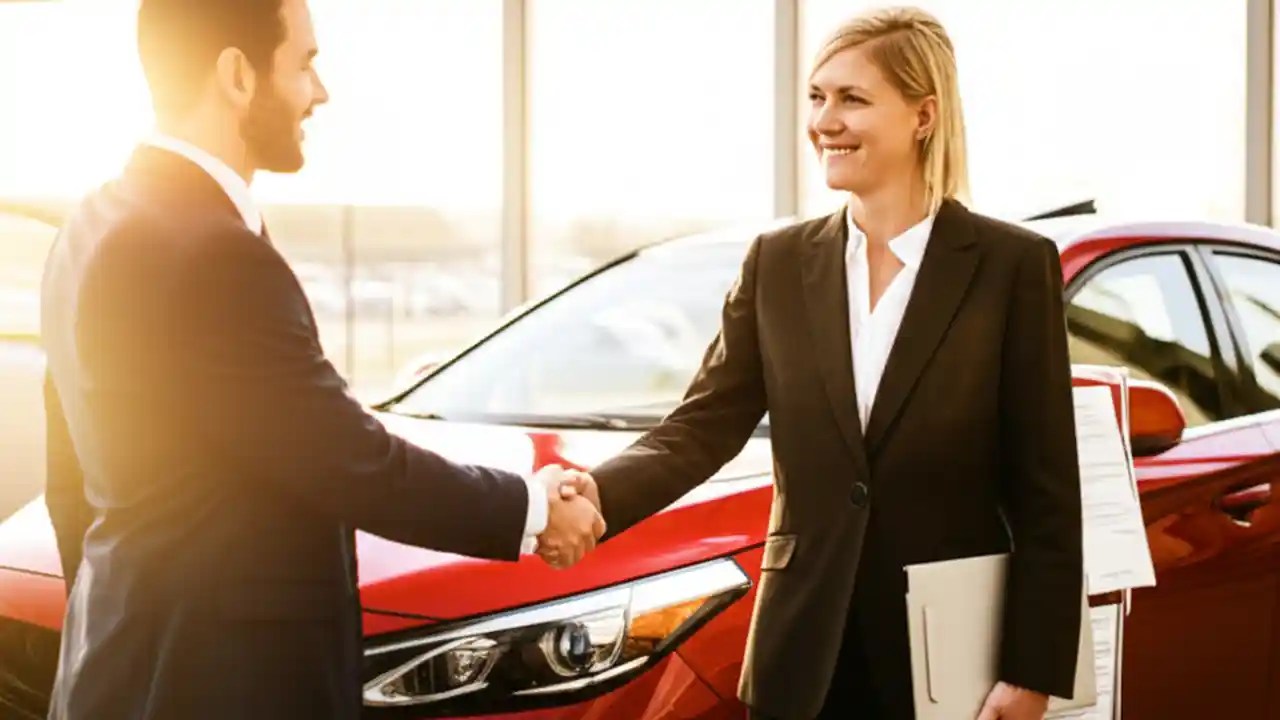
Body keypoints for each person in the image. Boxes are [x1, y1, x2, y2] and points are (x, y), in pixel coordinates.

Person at [39, 1, 601, 718]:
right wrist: (528, 506)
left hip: (120, 663)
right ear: (237, 74)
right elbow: (342, 455)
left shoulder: (91, 224)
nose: (321, 91)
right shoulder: (213, 251)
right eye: (304, 64)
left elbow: (72, 483)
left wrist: (115, 612)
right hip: (218, 682)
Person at [551, 7, 1083, 720]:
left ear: (923, 115)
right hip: (803, 655)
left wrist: (1033, 671)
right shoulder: (777, 264)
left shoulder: (1011, 267)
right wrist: (593, 495)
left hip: (947, 659)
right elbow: (701, 428)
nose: (825, 121)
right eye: (817, 96)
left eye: (852, 99)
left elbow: (1047, 491)